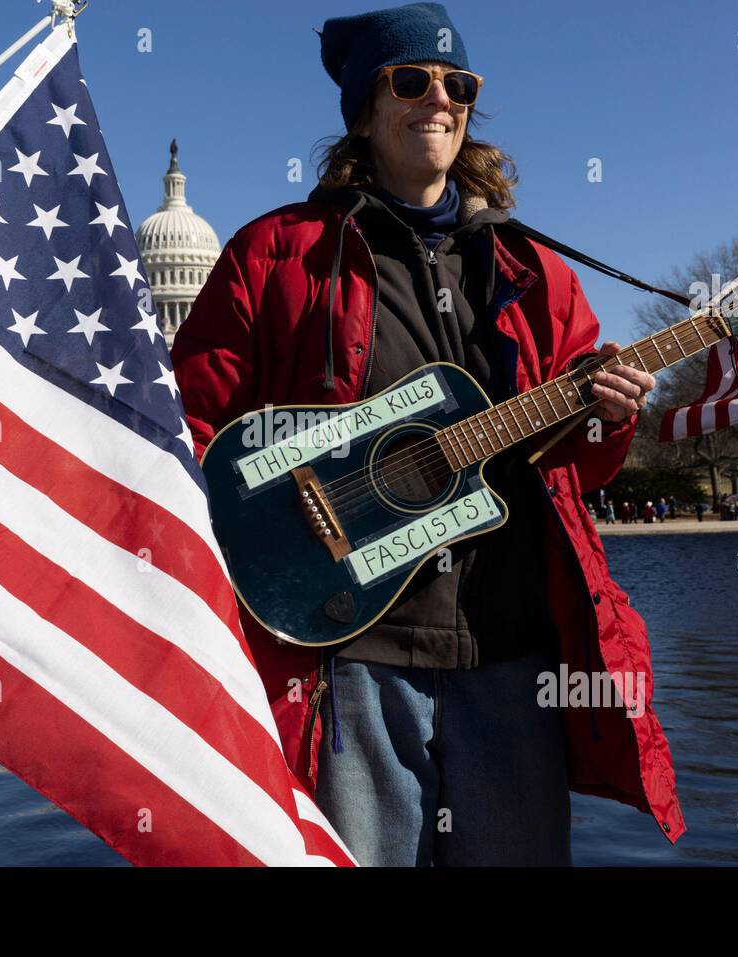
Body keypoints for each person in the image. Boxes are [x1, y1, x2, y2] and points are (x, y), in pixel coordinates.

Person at [170, 2, 684, 865]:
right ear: (366, 111)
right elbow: (192, 429)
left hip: (511, 644)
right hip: (354, 646)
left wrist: (609, 415)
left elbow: (578, 470)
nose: (437, 99)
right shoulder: (277, 253)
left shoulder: (533, 270)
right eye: (411, 81)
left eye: (458, 84)